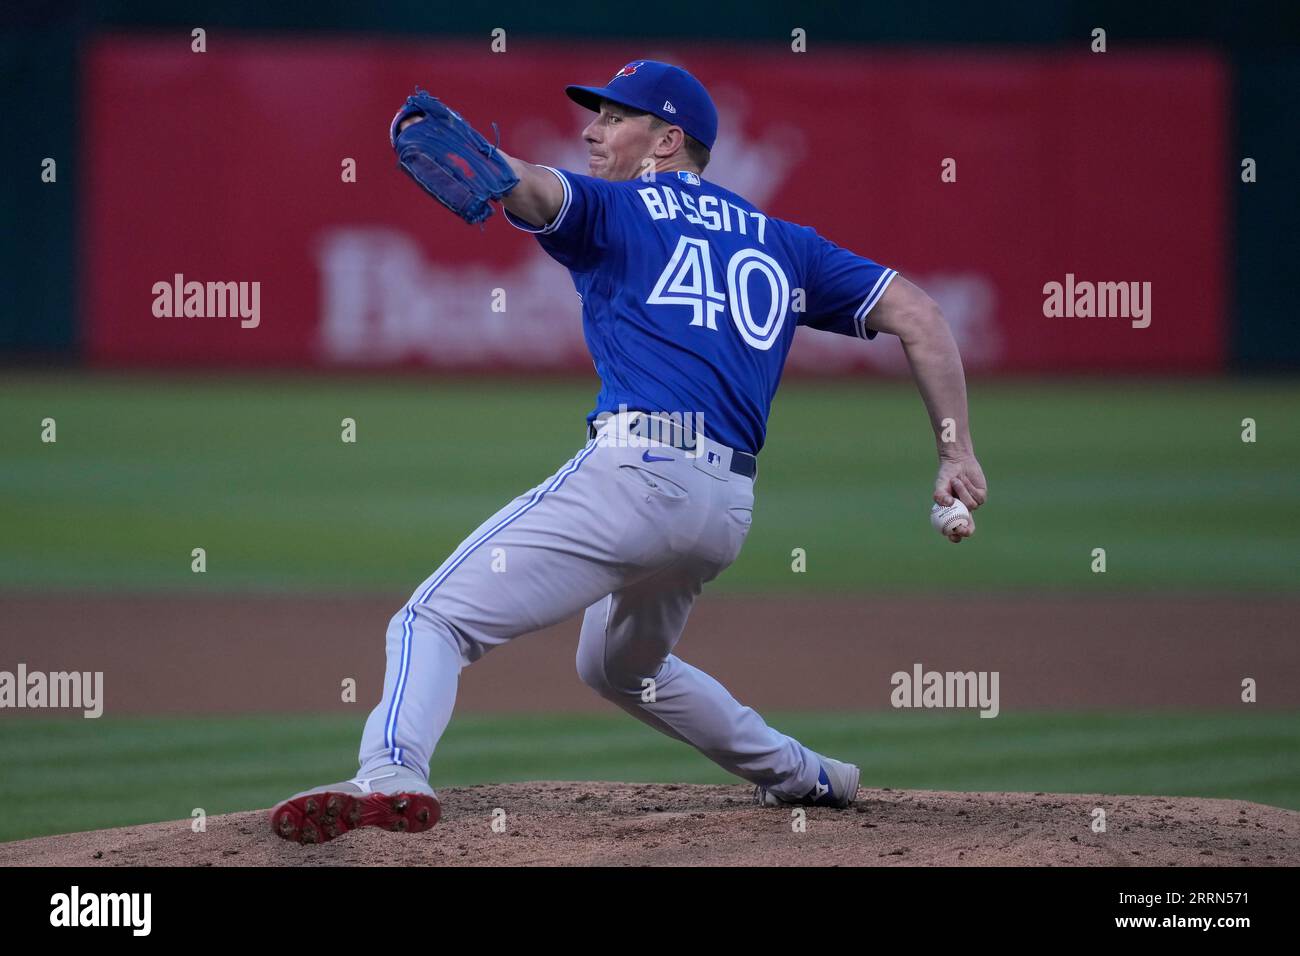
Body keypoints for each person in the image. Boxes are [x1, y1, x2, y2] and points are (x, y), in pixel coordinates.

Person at [270, 60, 988, 845]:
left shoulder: (620, 209)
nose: (591, 130)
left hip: (637, 477)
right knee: (622, 668)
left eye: (614, 118)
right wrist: (955, 451)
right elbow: (919, 315)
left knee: (430, 622)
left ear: (667, 140)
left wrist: (498, 168)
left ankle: (393, 771)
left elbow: (538, 189)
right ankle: (806, 776)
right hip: (724, 509)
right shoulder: (786, 244)